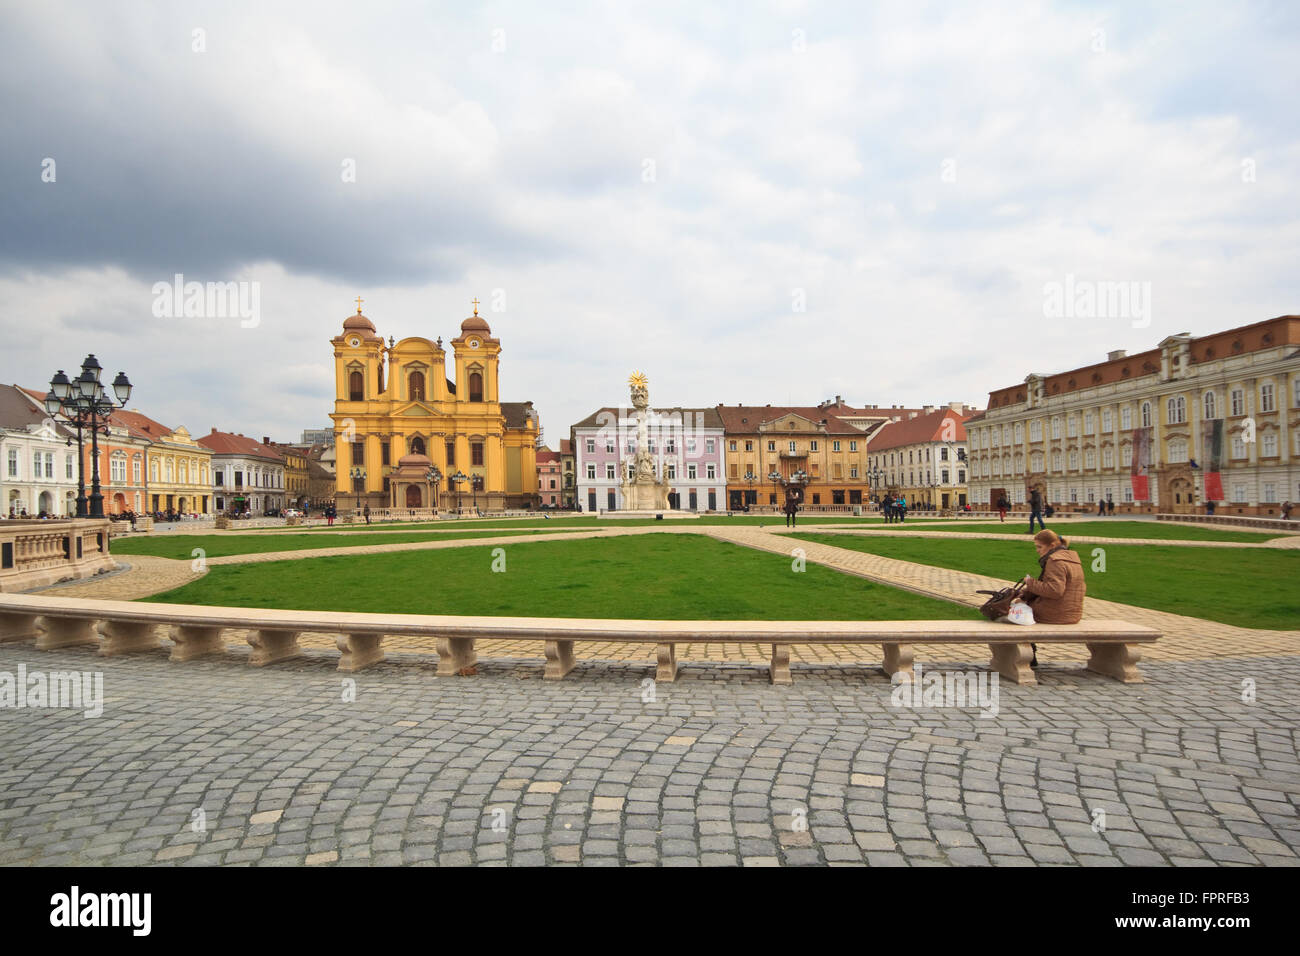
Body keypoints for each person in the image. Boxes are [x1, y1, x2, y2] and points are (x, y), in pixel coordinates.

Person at [1019, 528, 1086, 667]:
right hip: (1073, 613)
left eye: (1039, 547)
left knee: (1015, 613)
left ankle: (1027, 655)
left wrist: (1030, 582)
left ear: (1052, 546)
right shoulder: (1072, 558)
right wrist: (1026, 593)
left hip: (1056, 614)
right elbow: (1050, 586)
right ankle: (1030, 652)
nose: (1037, 550)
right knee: (1021, 605)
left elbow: (1054, 590)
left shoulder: (1055, 561)